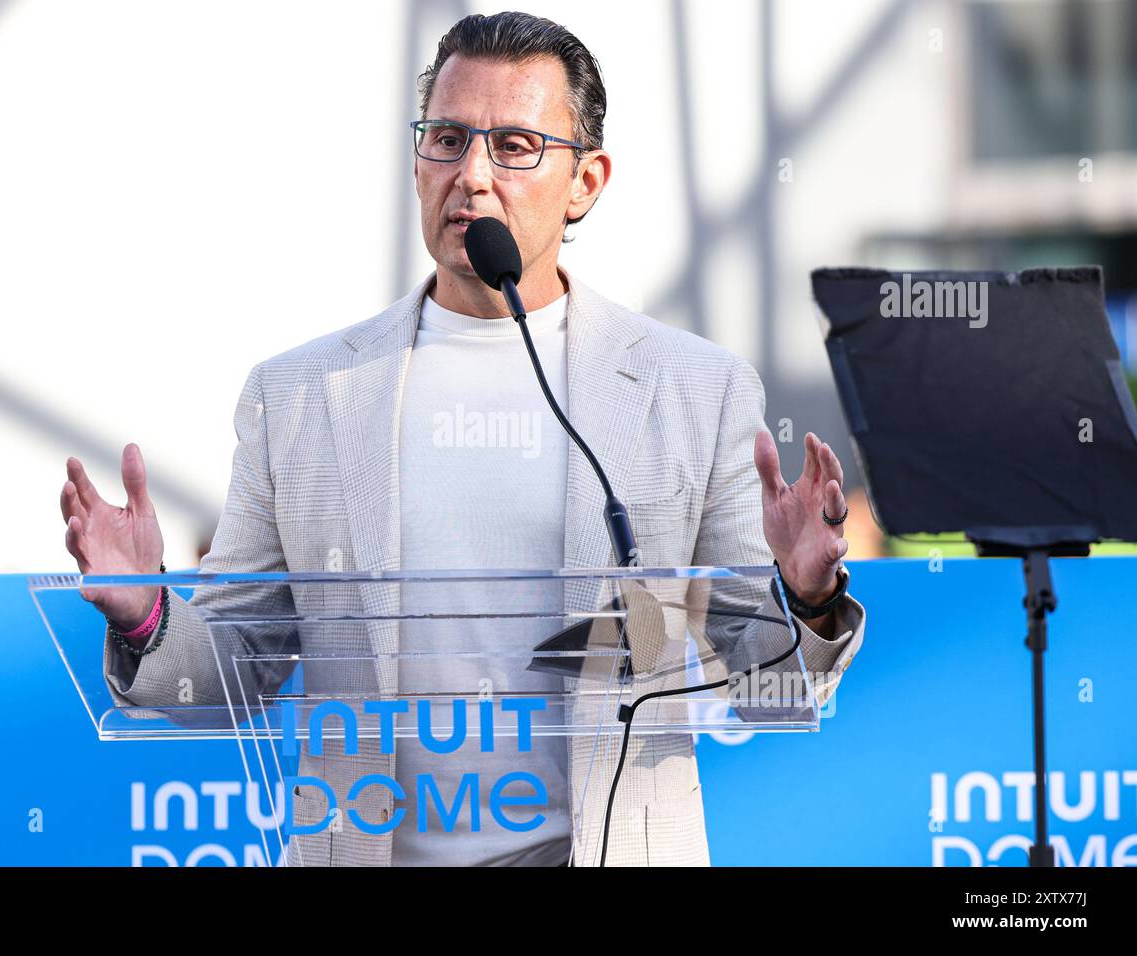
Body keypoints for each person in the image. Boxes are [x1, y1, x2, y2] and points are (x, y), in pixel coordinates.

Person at [59, 11, 864, 866]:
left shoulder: (695, 388)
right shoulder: (298, 396)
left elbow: (771, 691)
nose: (472, 175)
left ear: (586, 181)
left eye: (515, 146)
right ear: (418, 164)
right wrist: (146, 613)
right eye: (447, 140)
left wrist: (805, 598)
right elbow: (231, 674)